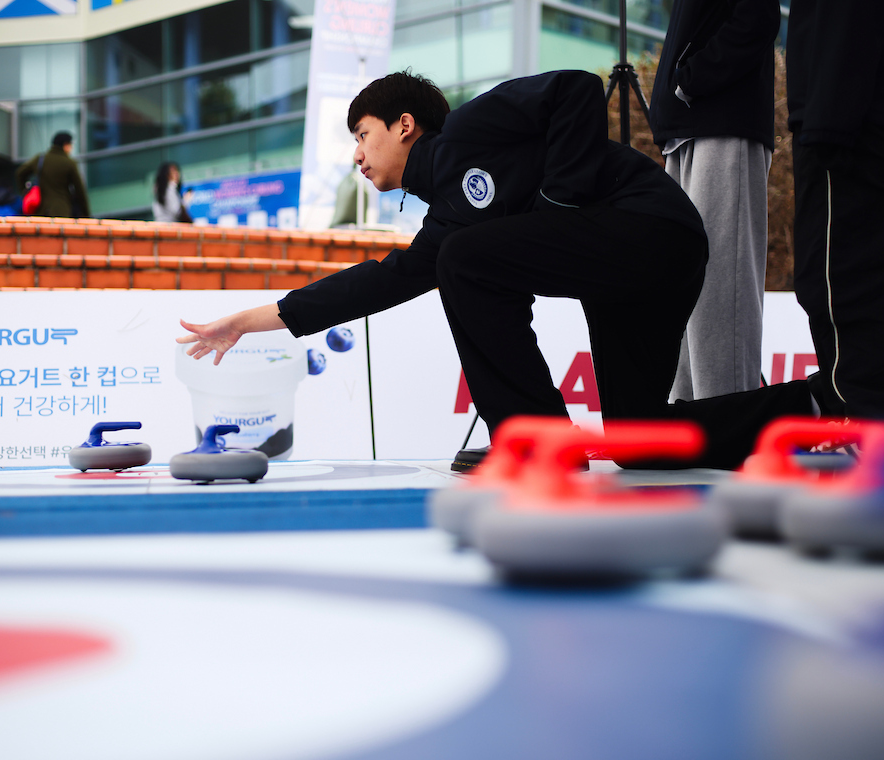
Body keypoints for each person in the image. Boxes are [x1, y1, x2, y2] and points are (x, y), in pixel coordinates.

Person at [178, 70, 819, 469]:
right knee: (639, 439)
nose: (356, 156)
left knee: (466, 259)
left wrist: (556, 205)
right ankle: (817, 405)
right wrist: (248, 320)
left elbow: (574, 88)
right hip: (631, 272)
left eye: (362, 134)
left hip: (652, 227)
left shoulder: (469, 131)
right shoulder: (450, 226)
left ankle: (534, 437)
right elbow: (377, 282)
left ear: (406, 126)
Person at [786, 0, 884, 421]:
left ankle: (863, 420)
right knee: (868, 277)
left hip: (846, 123)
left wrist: (828, 120)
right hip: (864, 119)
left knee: (840, 281)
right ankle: (880, 421)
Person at [649, 0, 780, 401]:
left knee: (722, 280)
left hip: (724, 120)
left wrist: (692, 80)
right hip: (685, 126)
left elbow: (758, 17)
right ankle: (689, 416)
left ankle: (728, 416)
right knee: (683, 281)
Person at [15, 131, 91, 218]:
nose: (71, 148)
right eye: (71, 145)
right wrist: (86, 214)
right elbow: (80, 191)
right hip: (61, 210)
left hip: (41, 211)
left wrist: (25, 192)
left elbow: (20, 173)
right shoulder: (69, 163)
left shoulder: (40, 159)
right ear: (65, 145)